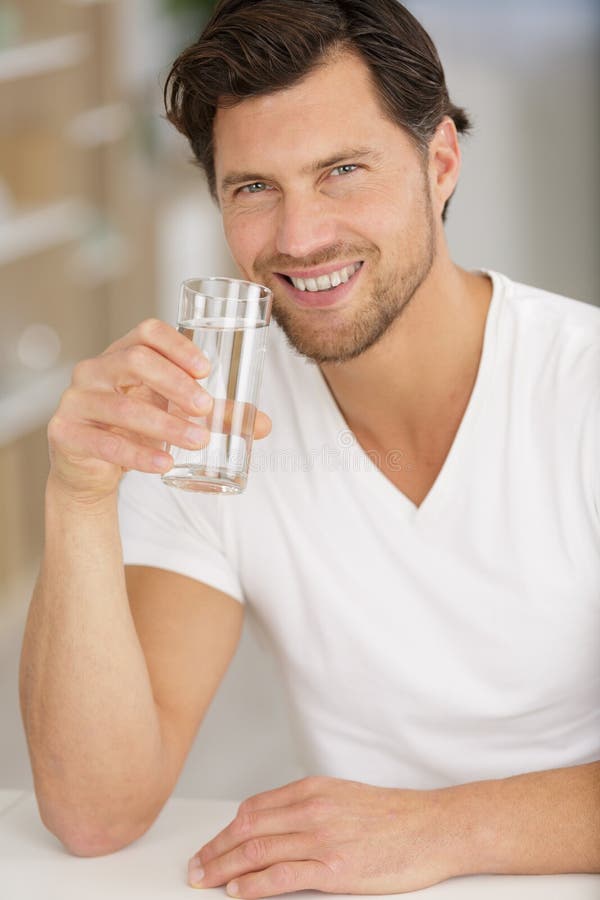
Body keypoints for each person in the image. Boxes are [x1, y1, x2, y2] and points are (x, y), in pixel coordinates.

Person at [20, 0, 600, 895]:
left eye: (342, 170)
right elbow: (97, 812)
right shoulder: (210, 406)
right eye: (254, 187)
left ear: (439, 163)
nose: (299, 239)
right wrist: (79, 497)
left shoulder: (582, 386)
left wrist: (443, 828)